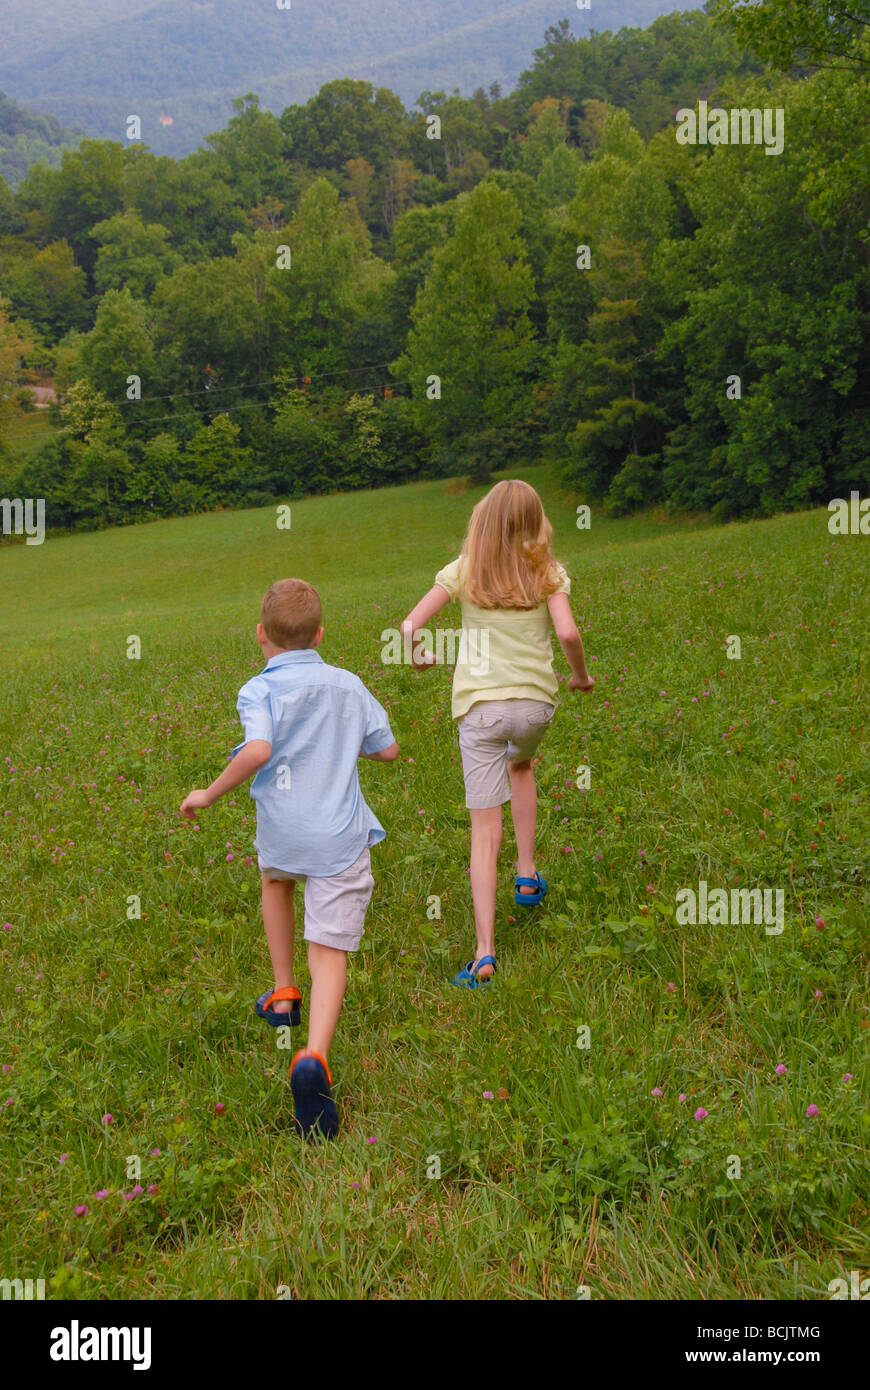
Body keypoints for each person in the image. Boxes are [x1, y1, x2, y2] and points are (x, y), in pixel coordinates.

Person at [180, 578, 398, 1139]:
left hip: (282, 834)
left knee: (274, 882)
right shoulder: (347, 684)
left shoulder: (258, 690)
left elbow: (258, 747)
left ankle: (282, 990)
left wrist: (207, 793)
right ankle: (314, 1056)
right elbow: (387, 749)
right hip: (337, 839)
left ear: (260, 635)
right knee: (327, 953)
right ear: (321, 634)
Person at [400, 480, 594, 987]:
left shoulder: (464, 571)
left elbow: (409, 626)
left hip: (480, 711)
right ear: (536, 524)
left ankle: (484, 954)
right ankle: (527, 874)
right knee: (522, 764)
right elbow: (569, 633)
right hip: (534, 707)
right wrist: (579, 676)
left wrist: (420, 654)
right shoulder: (547, 571)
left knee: (484, 831)